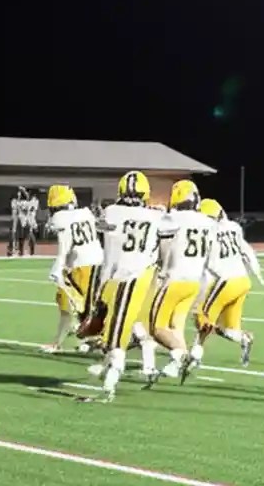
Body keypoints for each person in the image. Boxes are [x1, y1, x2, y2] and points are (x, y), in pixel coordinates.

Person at [83, 171, 165, 403]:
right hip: (147, 277)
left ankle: (109, 384)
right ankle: (143, 367)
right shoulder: (157, 217)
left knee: (116, 332)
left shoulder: (111, 212)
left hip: (123, 277)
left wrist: (100, 289)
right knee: (131, 325)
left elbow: (107, 245)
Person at [181, 197, 264, 382]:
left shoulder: (208, 231)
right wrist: (257, 273)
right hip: (243, 280)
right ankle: (245, 338)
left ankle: (194, 356)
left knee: (203, 317)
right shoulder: (234, 227)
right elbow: (247, 250)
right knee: (225, 329)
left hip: (226, 281)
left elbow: (205, 263)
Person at [143, 181, 214, 385]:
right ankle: (179, 363)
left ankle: (181, 354)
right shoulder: (207, 222)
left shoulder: (172, 218)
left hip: (175, 279)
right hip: (195, 282)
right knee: (176, 326)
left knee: (156, 327)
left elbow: (160, 244)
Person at [42, 184, 102, 354]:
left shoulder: (60, 219)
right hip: (95, 262)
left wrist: (58, 266)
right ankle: (87, 339)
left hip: (81, 265)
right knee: (78, 305)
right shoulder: (86, 213)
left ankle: (95, 340)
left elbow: (64, 247)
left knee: (75, 306)